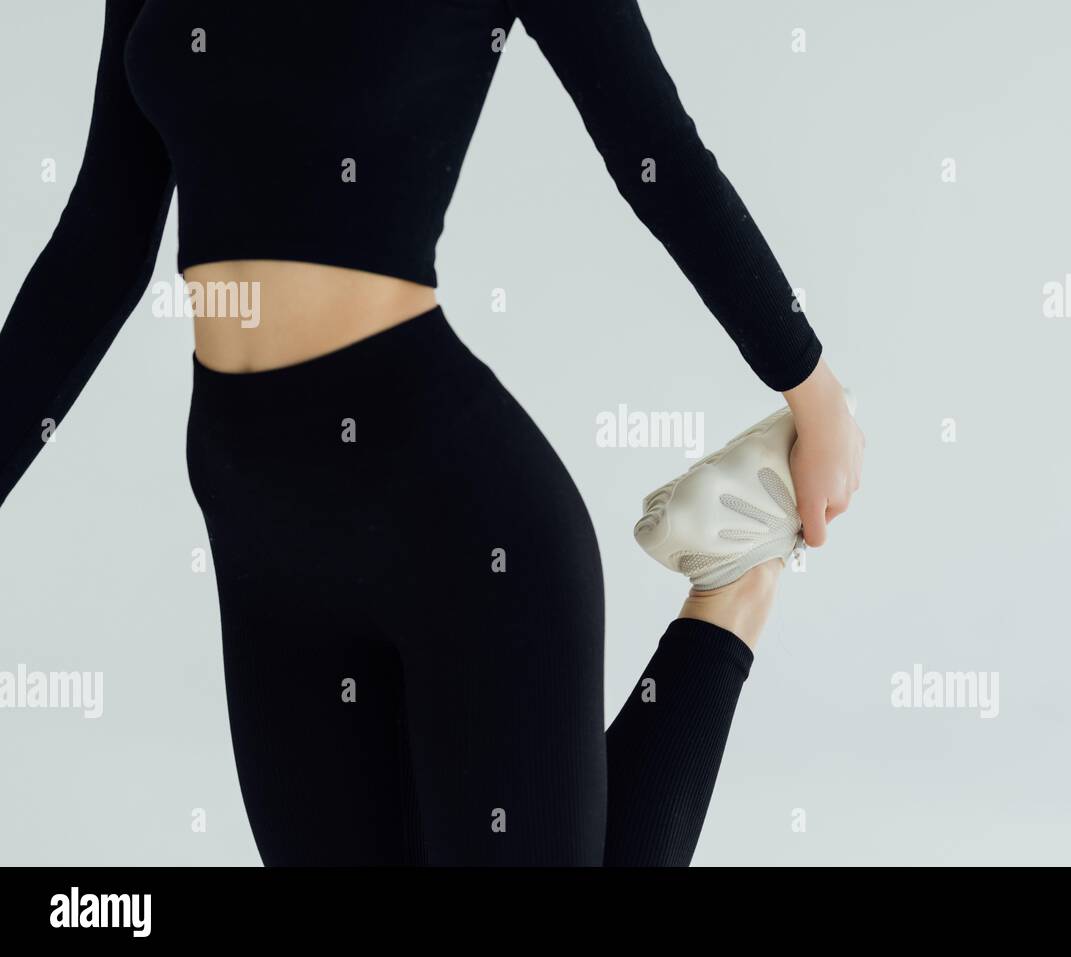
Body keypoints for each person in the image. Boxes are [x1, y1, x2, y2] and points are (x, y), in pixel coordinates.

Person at [0, 0, 863, 865]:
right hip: (255, 522)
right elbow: (98, 245)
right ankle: (734, 570)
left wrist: (811, 387)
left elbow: (654, 150)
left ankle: (732, 588)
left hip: (449, 516)